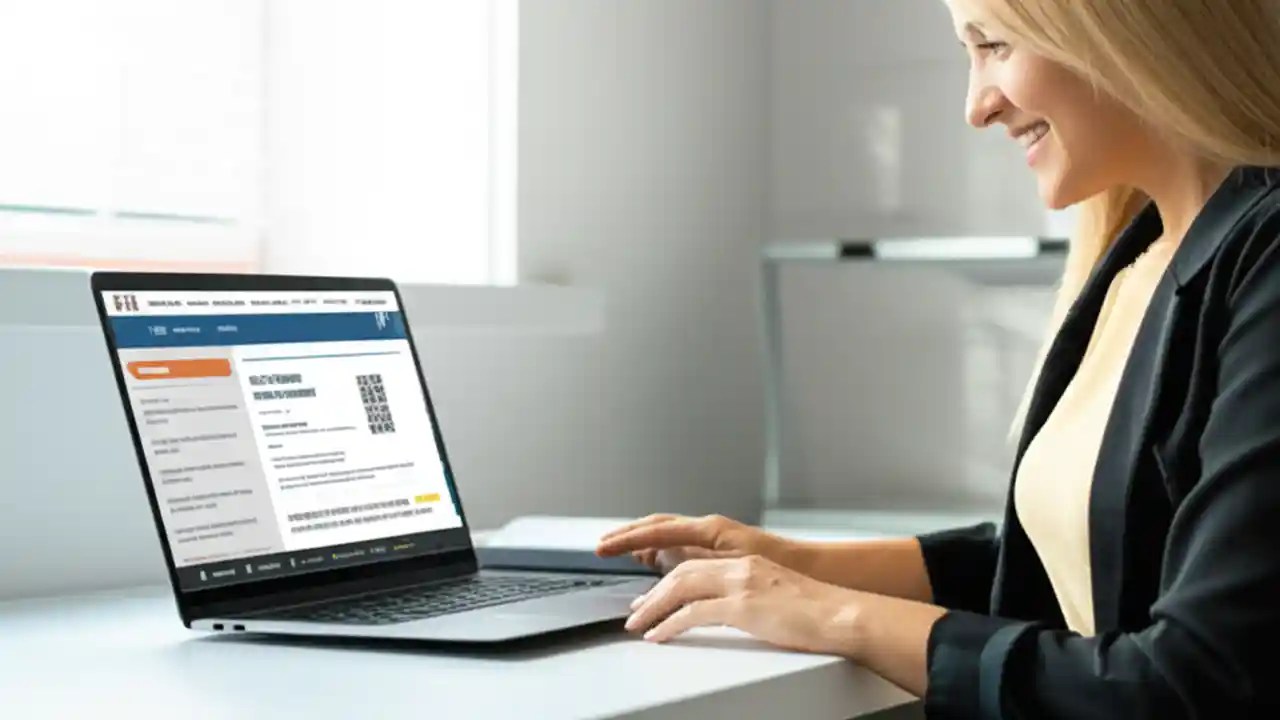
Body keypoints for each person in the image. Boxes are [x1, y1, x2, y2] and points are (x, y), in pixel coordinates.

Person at [595, 1, 1280, 717]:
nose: (976, 107)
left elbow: (1196, 682)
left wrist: (833, 614)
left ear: (1124, 29)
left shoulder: (1263, 260)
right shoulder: (1140, 255)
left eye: (995, 45)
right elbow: (1076, 560)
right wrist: (794, 564)